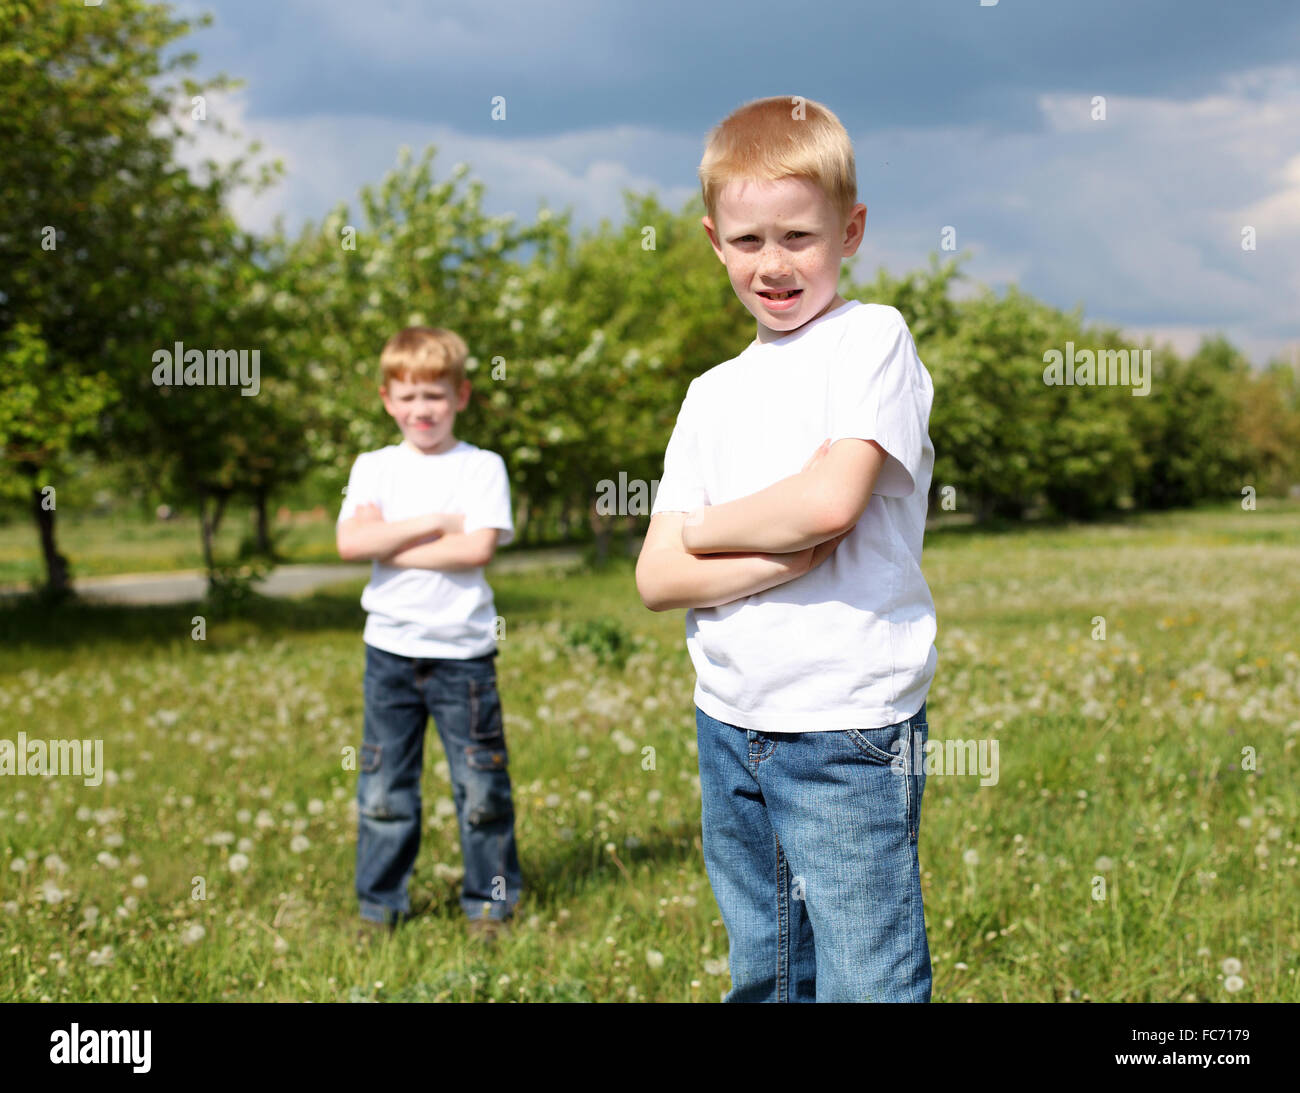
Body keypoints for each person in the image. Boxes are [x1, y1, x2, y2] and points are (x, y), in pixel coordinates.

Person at [635, 96, 938, 1001]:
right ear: (713, 241)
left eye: (799, 236)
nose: (774, 264)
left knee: (865, 973)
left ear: (850, 230)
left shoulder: (869, 340)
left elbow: (832, 498)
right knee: (764, 966)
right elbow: (657, 575)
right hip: (729, 716)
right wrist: (767, 554)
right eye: (749, 240)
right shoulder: (710, 393)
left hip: (845, 720)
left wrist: (709, 530)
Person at [336, 326, 521, 939]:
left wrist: (388, 543)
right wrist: (434, 524)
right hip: (389, 652)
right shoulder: (372, 467)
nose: (423, 410)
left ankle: (489, 905)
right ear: (388, 398)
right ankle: (378, 906)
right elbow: (347, 543)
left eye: (435, 396)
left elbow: (475, 551)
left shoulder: (481, 467)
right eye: (409, 397)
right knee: (385, 786)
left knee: (480, 785)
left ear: (461, 395)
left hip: (462, 657)